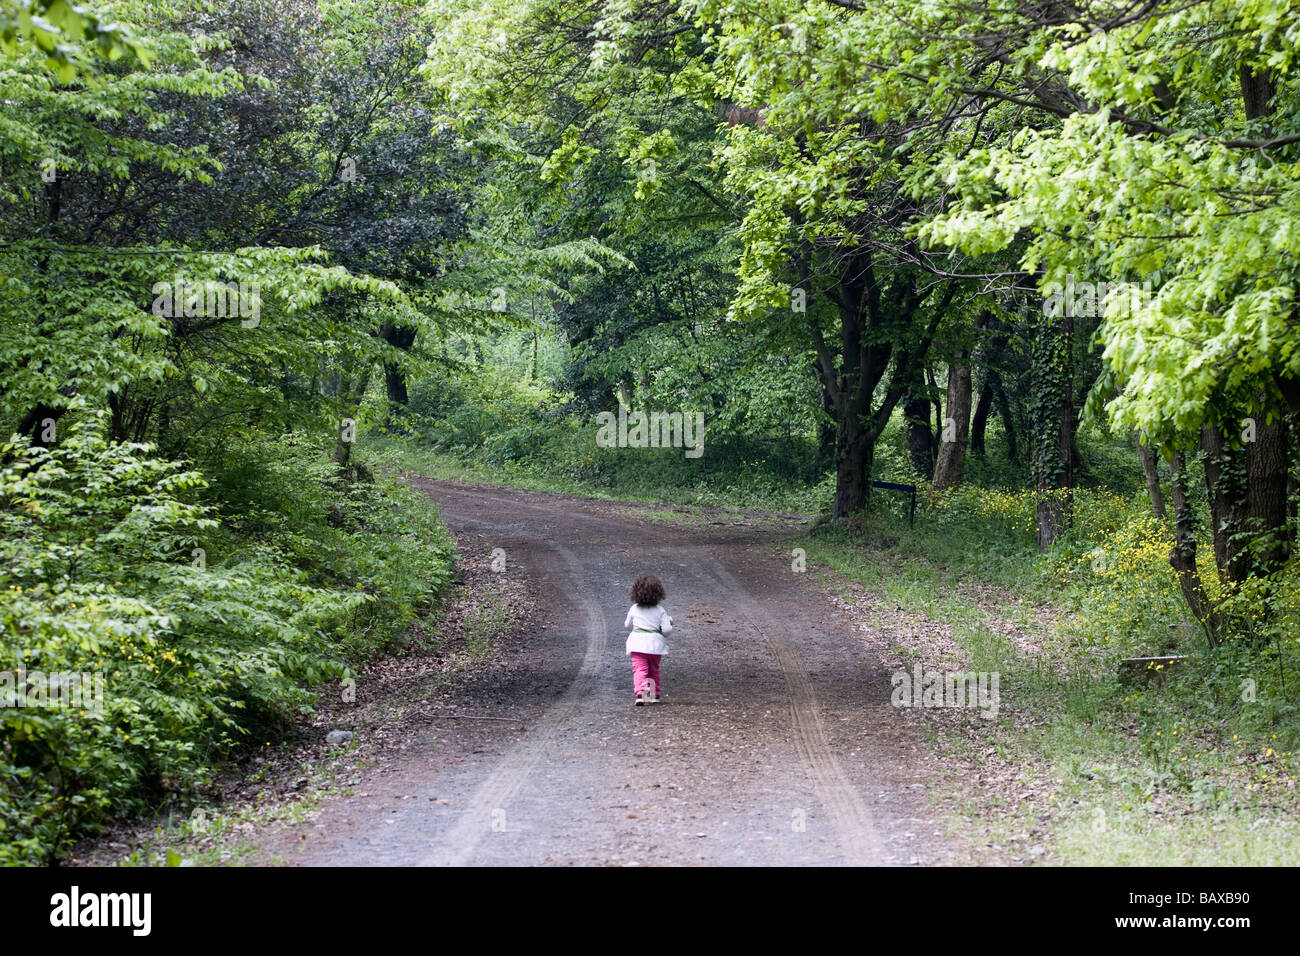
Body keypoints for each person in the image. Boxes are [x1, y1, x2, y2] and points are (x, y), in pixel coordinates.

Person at [625, 574, 673, 706]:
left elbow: (627, 625)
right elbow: (667, 631)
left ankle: (641, 693)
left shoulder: (634, 609)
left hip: (637, 644)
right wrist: (669, 623)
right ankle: (654, 694)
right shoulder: (660, 611)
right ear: (658, 593)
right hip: (655, 645)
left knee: (640, 669)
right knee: (653, 668)